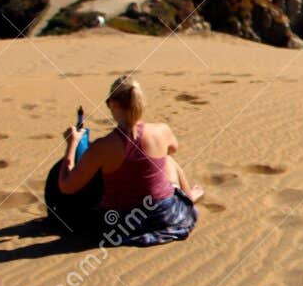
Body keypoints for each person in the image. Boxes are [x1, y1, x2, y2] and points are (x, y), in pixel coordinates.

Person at [45, 74, 202, 246]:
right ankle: (188, 198)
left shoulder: (103, 146)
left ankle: (187, 197)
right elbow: (172, 148)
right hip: (165, 216)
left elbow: (66, 186)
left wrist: (72, 144)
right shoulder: (161, 130)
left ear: (113, 104)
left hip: (122, 223)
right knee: (167, 159)